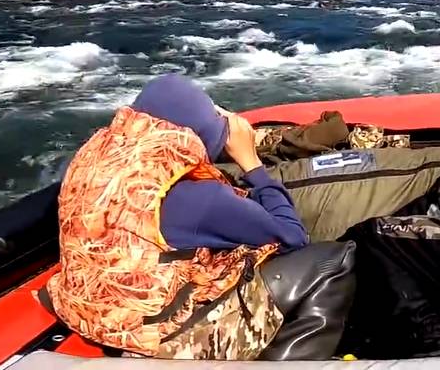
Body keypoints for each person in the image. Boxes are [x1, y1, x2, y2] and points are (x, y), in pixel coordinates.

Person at [45, 74, 308, 360]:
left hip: (84, 311)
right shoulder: (195, 195)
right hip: (151, 339)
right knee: (330, 261)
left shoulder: (94, 158)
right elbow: (292, 237)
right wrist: (252, 164)